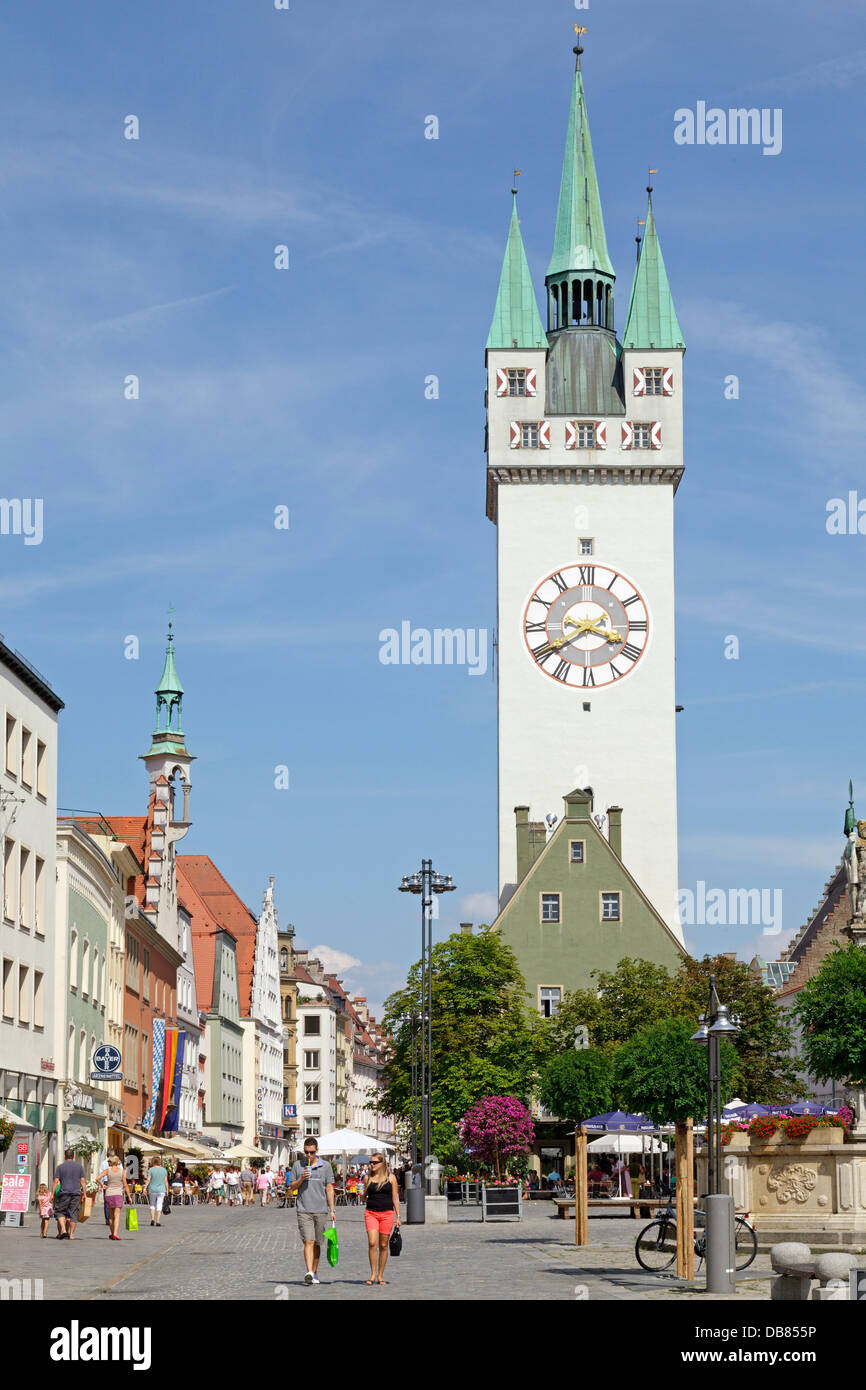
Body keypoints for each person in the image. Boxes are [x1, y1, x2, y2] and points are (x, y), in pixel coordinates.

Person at [288, 1137, 336, 1285]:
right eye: (306, 1152)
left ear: (317, 1151)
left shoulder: (326, 1166)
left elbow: (329, 1188)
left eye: (312, 1152)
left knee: (317, 1243)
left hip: (321, 1210)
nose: (308, 1156)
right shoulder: (298, 1165)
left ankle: (314, 1272)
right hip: (303, 1209)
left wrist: (332, 1209)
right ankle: (308, 1272)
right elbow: (292, 1188)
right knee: (308, 1241)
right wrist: (302, 1178)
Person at [363, 1152, 401, 1286]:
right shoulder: (367, 1177)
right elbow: (364, 1196)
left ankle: (380, 1275)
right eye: (371, 1162)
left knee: (383, 1245)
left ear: (382, 1163)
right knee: (372, 1243)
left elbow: (395, 1197)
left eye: (374, 1162)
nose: (372, 1165)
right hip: (371, 1213)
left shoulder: (391, 1178)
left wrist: (398, 1216)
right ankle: (372, 1274)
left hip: (387, 1214)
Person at [54, 1148, 87, 1240]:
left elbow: (55, 1181)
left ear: (65, 1156)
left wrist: (52, 1194)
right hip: (76, 1193)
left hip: (64, 1193)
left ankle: (64, 1230)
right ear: (73, 1156)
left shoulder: (60, 1167)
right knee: (73, 1213)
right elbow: (83, 1181)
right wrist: (84, 1194)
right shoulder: (79, 1167)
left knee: (60, 1212)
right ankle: (71, 1234)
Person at [100, 1154, 133, 1240]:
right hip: (118, 1194)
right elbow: (125, 1185)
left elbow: (97, 1178)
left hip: (109, 1194)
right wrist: (129, 1197)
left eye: (109, 1161)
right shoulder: (122, 1171)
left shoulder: (108, 1170)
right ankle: (115, 1234)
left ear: (112, 1162)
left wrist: (102, 1185)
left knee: (110, 1216)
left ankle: (112, 1233)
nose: (108, 1163)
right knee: (117, 1215)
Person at [144, 1157, 169, 1227]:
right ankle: (158, 1221)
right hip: (161, 1190)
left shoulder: (151, 1169)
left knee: (152, 1204)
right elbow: (166, 1181)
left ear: (153, 1162)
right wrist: (167, 1190)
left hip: (152, 1189)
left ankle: (152, 1219)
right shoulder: (164, 1170)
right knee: (159, 1204)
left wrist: (145, 1188)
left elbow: (148, 1180)